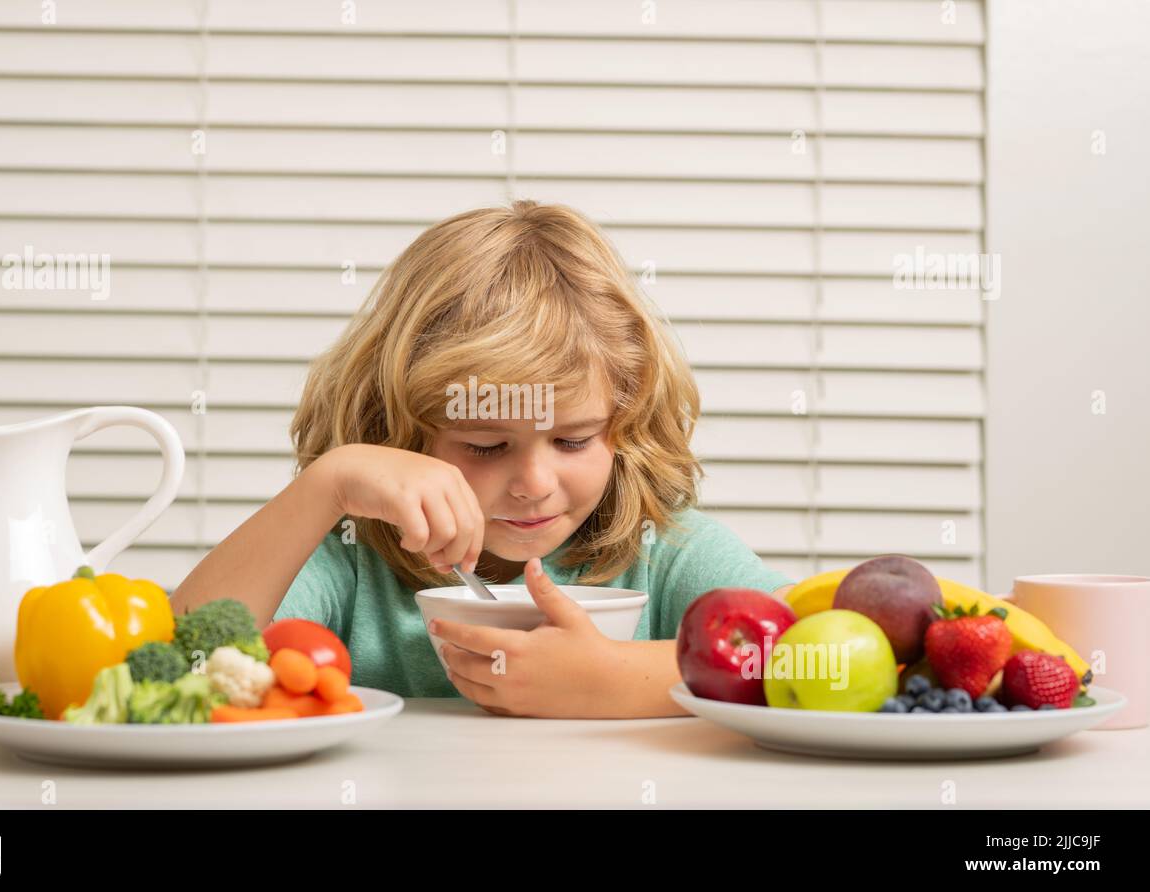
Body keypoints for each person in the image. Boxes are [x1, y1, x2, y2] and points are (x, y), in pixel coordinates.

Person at [171, 200, 795, 718]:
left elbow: (809, 659)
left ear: (624, 426)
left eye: (573, 441)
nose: (534, 484)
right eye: (485, 446)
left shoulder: (667, 553)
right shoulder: (352, 556)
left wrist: (617, 680)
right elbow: (178, 664)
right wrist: (326, 484)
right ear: (398, 433)